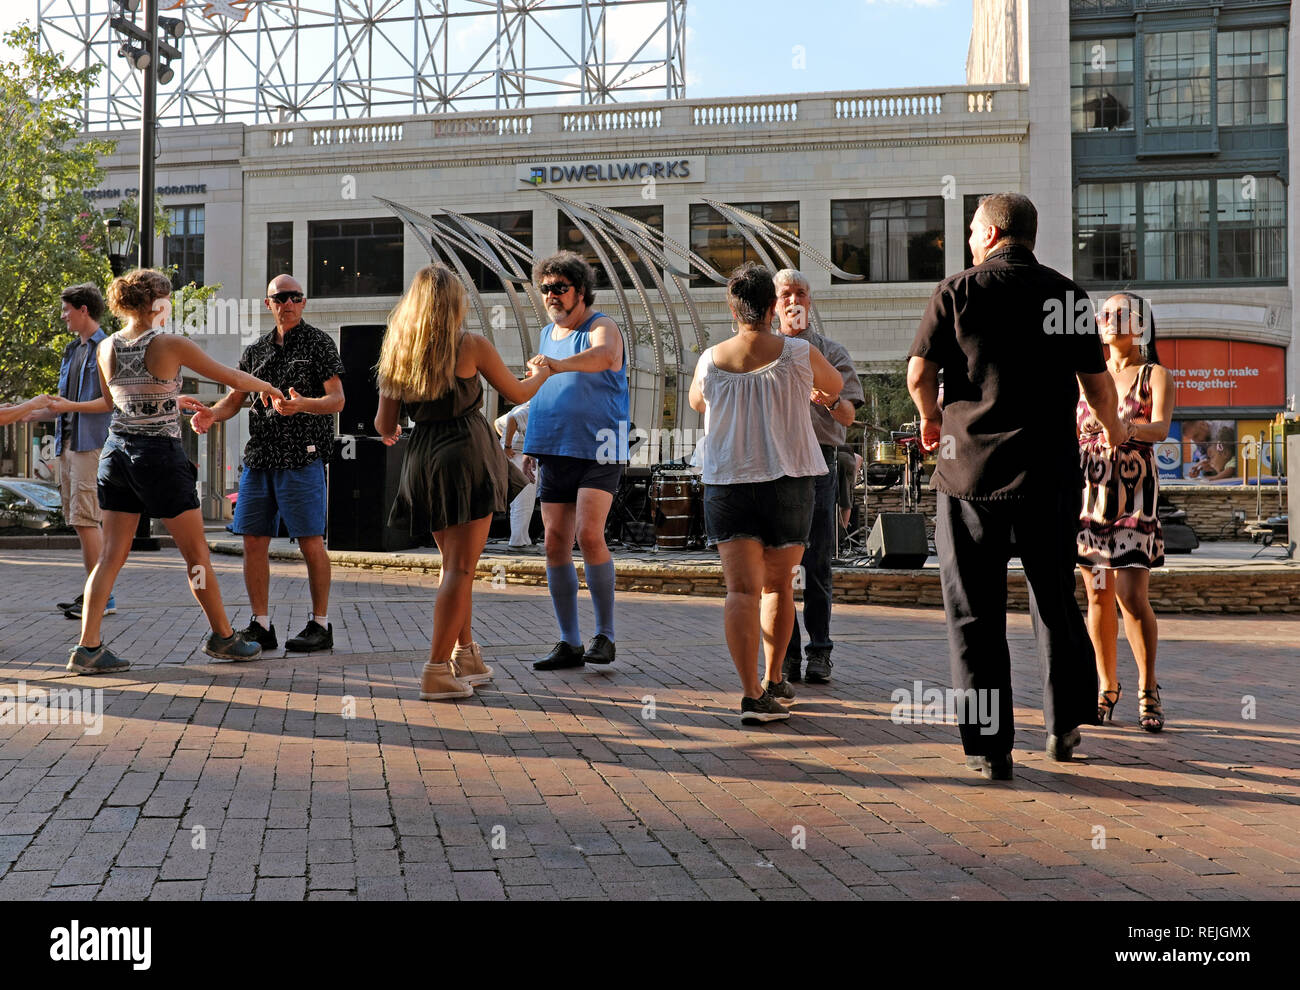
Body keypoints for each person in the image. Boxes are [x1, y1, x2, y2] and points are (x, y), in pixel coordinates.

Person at [906, 192, 1127, 781]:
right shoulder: (1069, 297)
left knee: (973, 611)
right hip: (1047, 475)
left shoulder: (957, 291)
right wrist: (1116, 431)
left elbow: (918, 373)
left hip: (967, 474)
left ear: (994, 232)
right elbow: (1098, 387)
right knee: (1054, 598)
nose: (970, 238)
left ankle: (989, 747)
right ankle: (1064, 725)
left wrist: (931, 418)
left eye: (974, 229)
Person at [47, 268, 282, 673]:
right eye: (167, 298)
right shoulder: (169, 343)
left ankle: (88, 648)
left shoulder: (107, 348)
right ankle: (224, 638)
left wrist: (170, 400)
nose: (170, 305)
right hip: (159, 456)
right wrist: (271, 389)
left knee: (109, 557)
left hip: (117, 454)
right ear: (154, 303)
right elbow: (230, 378)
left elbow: (115, 404)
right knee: (196, 556)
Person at [374, 263, 550, 699]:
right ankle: (436, 670)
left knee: (454, 566)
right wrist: (543, 372)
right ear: (454, 304)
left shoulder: (398, 352)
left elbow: (383, 424)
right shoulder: (470, 345)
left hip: (423, 459)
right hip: (467, 455)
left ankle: (465, 654)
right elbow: (519, 393)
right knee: (461, 568)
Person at [689, 263, 844, 724]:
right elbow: (834, 388)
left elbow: (699, 401)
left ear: (731, 307)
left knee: (740, 591)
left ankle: (752, 691)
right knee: (779, 586)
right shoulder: (798, 352)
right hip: (790, 481)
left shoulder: (710, 358)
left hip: (728, 483)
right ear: (773, 306)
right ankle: (776, 677)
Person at [188, 274, 344, 653]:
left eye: (294, 297)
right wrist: (211, 414)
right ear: (268, 304)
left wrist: (302, 404)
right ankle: (261, 625)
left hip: (301, 456)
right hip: (259, 458)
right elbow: (234, 399)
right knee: (254, 541)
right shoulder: (255, 350)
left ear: (303, 303)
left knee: (310, 541)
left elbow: (337, 400)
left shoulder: (319, 343)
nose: (288, 303)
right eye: (280, 298)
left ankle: (320, 625)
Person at [522, 252, 629, 671]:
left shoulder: (601, 326)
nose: (551, 295)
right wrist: (531, 442)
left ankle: (605, 635)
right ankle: (569, 642)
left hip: (601, 446)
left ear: (580, 291)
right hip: (553, 447)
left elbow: (602, 358)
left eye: (559, 288)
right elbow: (541, 391)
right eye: (545, 288)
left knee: (588, 533)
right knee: (553, 543)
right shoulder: (547, 333)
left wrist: (556, 365)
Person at [1079, 293, 1172, 732]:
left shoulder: (1156, 374)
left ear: (1140, 325)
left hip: (1136, 493)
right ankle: (1106, 686)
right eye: (1107, 314)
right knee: (1097, 593)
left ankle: (1148, 687)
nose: (1114, 320)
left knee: (1132, 596)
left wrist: (1123, 428)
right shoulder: (1084, 375)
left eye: (1124, 314)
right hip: (1091, 493)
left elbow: (1161, 428)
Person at [773, 269, 865, 684]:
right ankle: (788, 655)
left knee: (817, 561)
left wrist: (826, 397)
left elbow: (849, 415)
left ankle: (820, 652)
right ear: (775, 304)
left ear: (810, 301)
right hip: (776, 462)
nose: (794, 300)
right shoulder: (764, 352)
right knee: (779, 565)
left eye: (801, 294)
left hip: (821, 461)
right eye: (785, 294)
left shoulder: (832, 352)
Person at [25, 285, 117, 620]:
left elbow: (109, 403)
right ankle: (94, 591)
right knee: (80, 520)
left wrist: (69, 406)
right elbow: (65, 405)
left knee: (87, 519)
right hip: (68, 442)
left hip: (91, 444)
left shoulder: (106, 347)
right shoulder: (71, 350)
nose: (63, 316)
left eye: (66, 310)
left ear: (83, 310)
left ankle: (101, 597)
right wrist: (32, 412)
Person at [494, 400, 537, 550]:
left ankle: (523, 538)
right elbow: (513, 419)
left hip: (516, 454)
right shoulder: (533, 406)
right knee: (523, 499)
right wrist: (508, 446)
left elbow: (498, 423)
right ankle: (518, 540)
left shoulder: (524, 405)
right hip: (518, 455)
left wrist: (507, 441)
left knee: (524, 500)